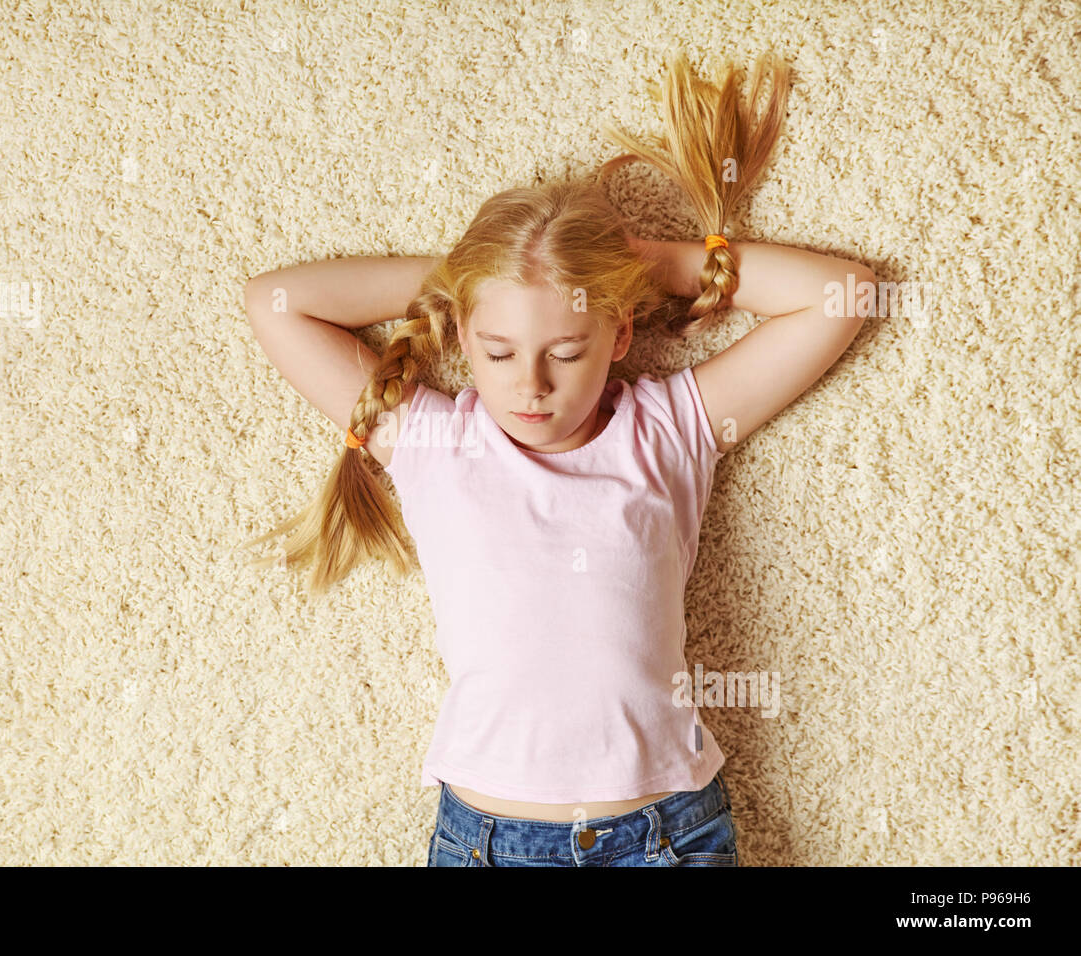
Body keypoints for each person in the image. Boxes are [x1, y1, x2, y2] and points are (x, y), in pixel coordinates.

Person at [239, 51, 876, 866]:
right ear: (462, 337)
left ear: (618, 334)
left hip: (666, 835)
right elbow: (277, 303)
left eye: (566, 350)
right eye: (498, 351)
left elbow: (843, 297)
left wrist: (641, 264)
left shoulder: (671, 427)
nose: (530, 386)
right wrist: (473, 277)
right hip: (489, 843)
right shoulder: (436, 440)